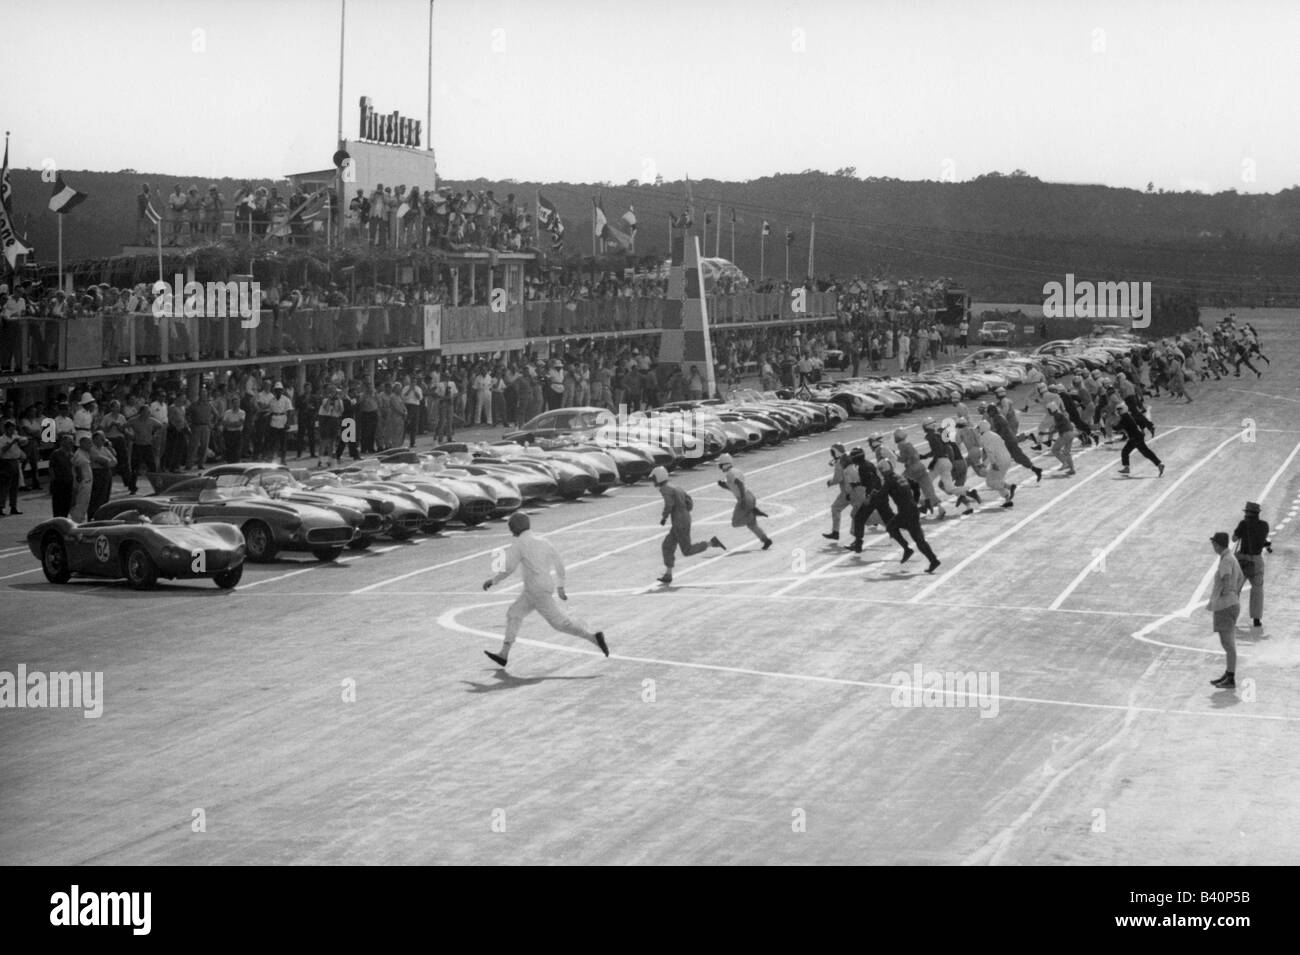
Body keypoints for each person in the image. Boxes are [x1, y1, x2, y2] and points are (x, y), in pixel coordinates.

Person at [481, 512, 609, 667]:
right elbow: (559, 562)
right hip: (538, 588)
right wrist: (561, 584)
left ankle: (593, 637)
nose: (510, 531)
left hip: (536, 591)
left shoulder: (519, 544)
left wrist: (493, 580)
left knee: (559, 623)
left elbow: (509, 568)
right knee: (514, 613)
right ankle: (504, 654)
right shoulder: (543, 541)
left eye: (510, 527)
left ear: (515, 527)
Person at [863, 458, 941, 573]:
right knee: (919, 539)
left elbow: (881, 496)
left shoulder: (889, 480)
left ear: (883, 470)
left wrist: (872, 496)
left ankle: (907, 548)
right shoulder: (900, 476)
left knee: (891, 527)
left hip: (905, 512)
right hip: (912, 510)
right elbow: (915, 485)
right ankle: (933, 560)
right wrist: (918, 501)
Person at [653, 465, 725, 585]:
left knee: (687, 550)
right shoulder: (676, 487)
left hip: (679, 522)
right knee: (667, 546)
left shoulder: (665, 489)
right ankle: (668, 574)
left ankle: (711, 543)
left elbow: (669, 504)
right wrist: (682, 512)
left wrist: (664, 517)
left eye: (654, 478)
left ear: (659, 477)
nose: (653, 480)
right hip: (682, 519)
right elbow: (689, 502)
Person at [1207, 531, 1246, 689]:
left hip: (1226, 605)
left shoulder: (1226, 560)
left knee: (1228, 643)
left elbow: (1227, 578)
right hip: (1230, 603)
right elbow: (1242, 577)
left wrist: (1226, 594)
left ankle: (1230, 677)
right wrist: (1233, 593)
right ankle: (1228, 673)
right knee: (1227, 642)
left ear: (1217, 545)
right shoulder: (1230, 558)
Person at [716, 453, 772, 549]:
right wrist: (724, 486)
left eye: (720, 465)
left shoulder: (730, 474)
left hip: (744, 498)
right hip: (750, 496)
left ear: (725, 464)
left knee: (735, 522)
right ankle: (766, 540)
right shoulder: (735, 471)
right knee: (752, 525)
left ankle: (752, 513)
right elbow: (735, 487)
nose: (720, 467)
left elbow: (740, 485)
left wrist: (742, 500)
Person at [1232, 501, 1271, 631]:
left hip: (1242, 561)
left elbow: (1234, 538)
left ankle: (1232, 617)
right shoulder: (1264, 526)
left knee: (1235, 589)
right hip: (1257, 561)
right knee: (1257, 590)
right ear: (1257, 513)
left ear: (1247, 513)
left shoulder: (1243, 524)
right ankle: (1256, 619)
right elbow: (1262, 541)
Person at [1112, 392, 1164, 477]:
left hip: (1135, 438)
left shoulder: (1125, 417)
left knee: (1143, 452)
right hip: (1136, 437)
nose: (1117, 411)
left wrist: (1112, 424)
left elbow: (1117, 428)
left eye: (1119, 410)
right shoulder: (1127, 416)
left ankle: (1159, 465)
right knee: (1131, 452)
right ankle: (1127, 467)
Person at [822, 443, 850, 541]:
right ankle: (889, 522)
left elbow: (838, 478)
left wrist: (830, 482)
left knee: (835, 508)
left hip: (847, 491)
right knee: (862, 511)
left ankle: (835, 532)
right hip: (856, 488)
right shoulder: (848, 457)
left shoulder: (839, 463)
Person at [87, 431, 118, 519]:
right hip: (97, 473)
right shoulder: (92, 449)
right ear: (95, 439)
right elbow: (102, 461)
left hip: (106, 473)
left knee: (105, 496)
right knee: (96, 497)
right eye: (101, 439)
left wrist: (110, 449)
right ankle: (93, 517)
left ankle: (102, 516)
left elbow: (114, 460)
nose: (103, 441)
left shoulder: (104, 449)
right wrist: (109, 462)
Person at [0, 419, 28, 515]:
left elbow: (25, 441)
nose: (12, 431)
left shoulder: (15, 437)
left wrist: (20, 441)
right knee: (4, 486)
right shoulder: (2, 439)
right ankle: (1, 506)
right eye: (10, 429)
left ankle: (13, 506)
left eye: (13, 429)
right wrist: (12, 442)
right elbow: (2, 450)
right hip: (6, 462)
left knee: (14, 486)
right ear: (6, 429)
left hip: (15, 461)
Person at [70, 436, 95, 522]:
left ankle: (80, 520)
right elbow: (77, 467)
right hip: (83, 483)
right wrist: (80, 481)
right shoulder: (79, 454)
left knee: (84, 505)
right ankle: (77, 522)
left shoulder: (85, 452)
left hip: (86, 482)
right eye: (88, 443)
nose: (90, 445)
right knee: (80, 504)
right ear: (82, 444)